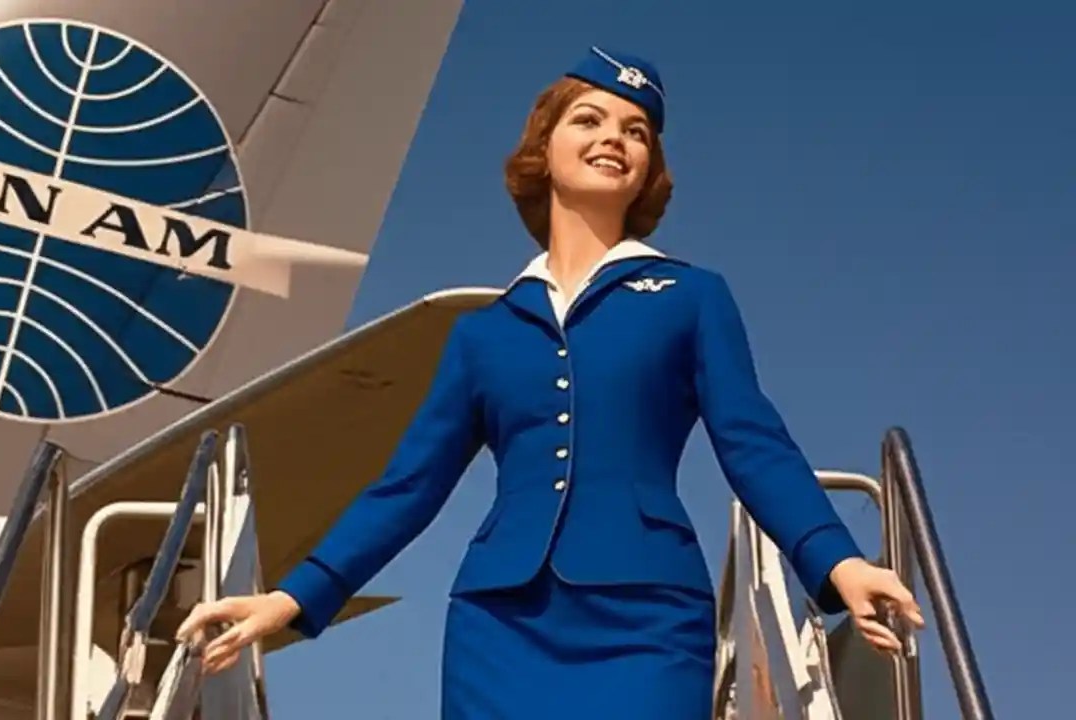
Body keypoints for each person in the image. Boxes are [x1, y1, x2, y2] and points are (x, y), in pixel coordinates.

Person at [177, 45, 925, 717]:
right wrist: (291, 597)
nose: (614, 139)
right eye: (590, 119)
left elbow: (753, 443)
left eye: (637, 131)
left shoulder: (693, 298)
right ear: (545, 146)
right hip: (499, 624)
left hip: (649, 616)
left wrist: (839, 562)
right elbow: (407, 487)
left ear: (650, 169)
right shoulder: (484, 332)